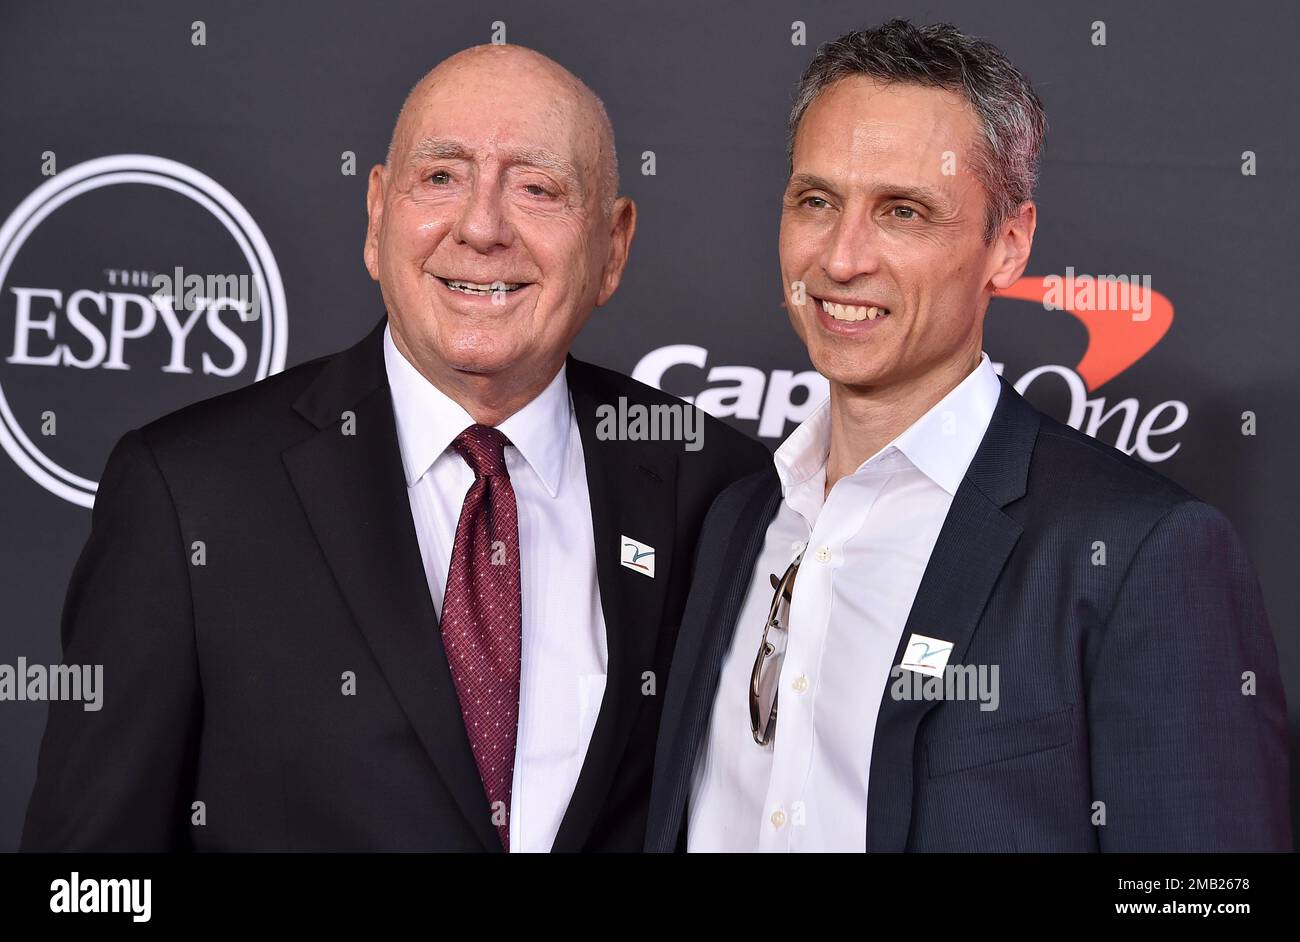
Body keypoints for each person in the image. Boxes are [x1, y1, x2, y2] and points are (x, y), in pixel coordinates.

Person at [22, 44, 769, 852]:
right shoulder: (189, 491)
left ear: (612, 246)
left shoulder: (711, 486)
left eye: (538, 188)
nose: (482, 226)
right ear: (377, 216)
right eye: (442, 177)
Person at [646, 19, 1290, 852]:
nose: (841, 258)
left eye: (903, 212)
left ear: (1009, 245)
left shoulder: (1141, 553)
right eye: (817, 201)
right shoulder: (733, 520)